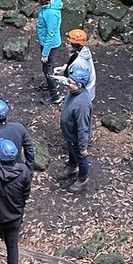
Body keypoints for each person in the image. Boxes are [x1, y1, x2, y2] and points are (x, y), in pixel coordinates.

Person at [58, 65, 94, 193]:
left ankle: (82, 178)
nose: (68, 83)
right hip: (70, 135)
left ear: (79, 85)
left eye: (70, 82)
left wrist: (83, 146)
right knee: (71, 150)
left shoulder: (82, 105)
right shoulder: (73, 91)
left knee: (81, 157)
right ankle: (72, 167)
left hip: (77, 137)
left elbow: (83, 127)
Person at [0, 98, 39, 170]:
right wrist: (29, 169)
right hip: (20, 173)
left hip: (2, 177)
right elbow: (29, 148)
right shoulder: (19, 128)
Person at [35, 0, 64, 104]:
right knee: (49, 67)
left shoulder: (51, 13)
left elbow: (51, 33)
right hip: (48, 43)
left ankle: (54, 96)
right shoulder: (51, 5)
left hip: (49, 45)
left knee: (47, 69)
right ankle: (54, 84)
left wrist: (45, 53)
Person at [54, 28, 96, 103]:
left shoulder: (79, 63)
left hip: (82, 96)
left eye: (69, 43)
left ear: (75, 45)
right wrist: (65, 68)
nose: (66, 44)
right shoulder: (83, 51)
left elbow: (75, 83)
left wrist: (58, 79)